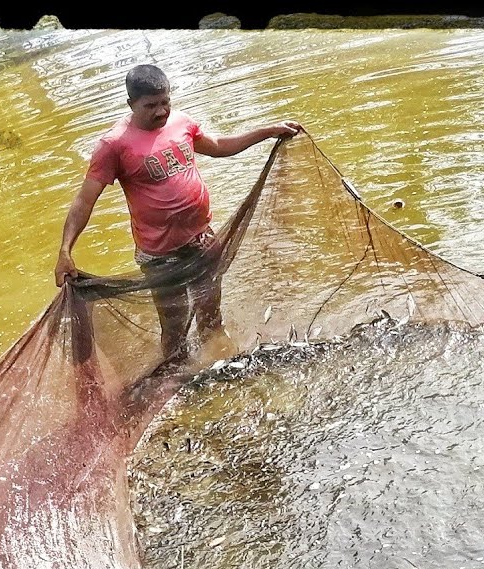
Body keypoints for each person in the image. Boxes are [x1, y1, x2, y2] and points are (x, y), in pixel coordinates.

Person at [54, 63, 304, 366]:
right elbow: (85, 201)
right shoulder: (114, 145)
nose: (161, 111)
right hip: (160, 256)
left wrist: (268, 130)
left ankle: (218, 367)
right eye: (151, 106)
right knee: (174, 332)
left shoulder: (181, 122)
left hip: (202, 240)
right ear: (131, 104)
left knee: (212, 320)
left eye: (165, 102)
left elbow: (219, 146)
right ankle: (178, 380)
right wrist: (65, 250)